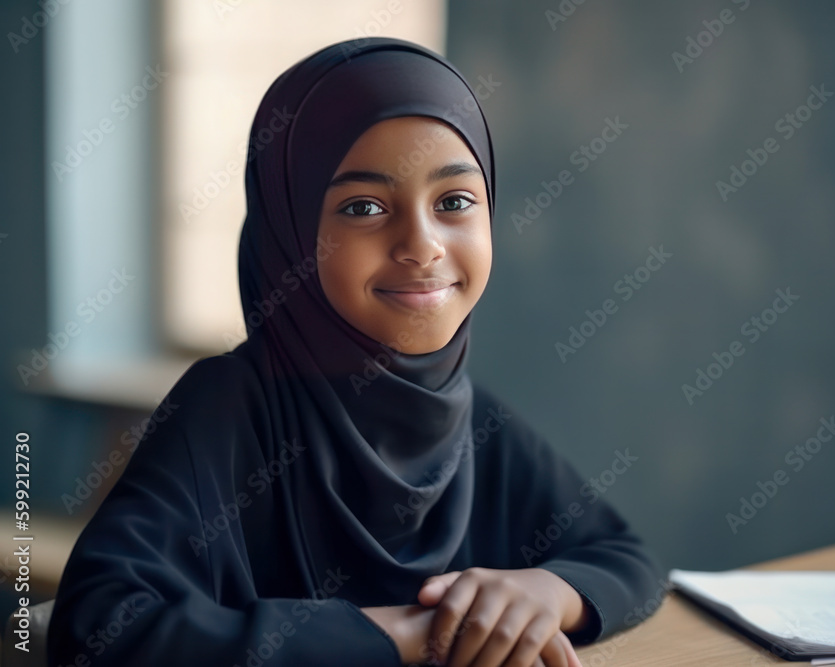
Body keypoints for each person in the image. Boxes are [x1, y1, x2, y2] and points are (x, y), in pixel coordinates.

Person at [48, 37, 665, 667]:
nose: (422, 246)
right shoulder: (230, 407)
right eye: (364, 207)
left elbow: (624, 558)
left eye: (454, 201)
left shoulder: (469, 419)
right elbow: (99, 627)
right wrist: (413, 634)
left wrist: (545, 593)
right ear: (288, 233)